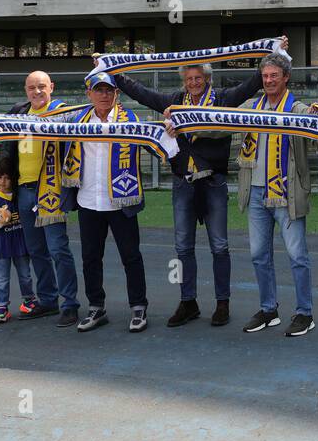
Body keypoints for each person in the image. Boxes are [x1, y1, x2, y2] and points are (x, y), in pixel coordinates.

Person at [111, 55, 266, 328]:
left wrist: (269, 57)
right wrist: (116, 75)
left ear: (207, 79)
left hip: (213, 181)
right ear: (184, 81)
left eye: (198, 78)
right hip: (183, 182)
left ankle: (222, 302)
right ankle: (188, 301)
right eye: (189, 79)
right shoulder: (174, 101)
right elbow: (143, 94)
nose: (193, 83)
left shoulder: (222, 98)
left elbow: (250, 86)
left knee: (220, 246)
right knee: (182, 247)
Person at [0, 71, 82, 327]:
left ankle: (70, 304)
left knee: (57, 248)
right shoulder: (18, 111)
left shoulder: (64, 112)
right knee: (36, 250)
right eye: (32, 87)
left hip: (50, 189)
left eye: (42, 86)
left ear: (52, 86)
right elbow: (1, 132)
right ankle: (49, 300)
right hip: (24, 190)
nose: (37, 91)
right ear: (25, 90)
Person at [237, 53, 317, 337]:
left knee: (297, 255)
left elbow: (315, 120)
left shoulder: (297, 109)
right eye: (265, 76)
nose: (269, 80)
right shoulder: (250, 107)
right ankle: (268, 309)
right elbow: (221, 113)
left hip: (286, 192)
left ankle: (305, 313)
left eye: (274, 75)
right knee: (259, 254)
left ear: (286, 78)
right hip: (256, 192)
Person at [64, 71, 151, 333]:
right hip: (88, 200)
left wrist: (168, 128)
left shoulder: (131, 120)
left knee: (131, 256)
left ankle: (138, 307)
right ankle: (96, 307)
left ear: (117, 93)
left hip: (122, 201)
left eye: (108, 90)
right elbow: (32, 122)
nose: (103, 95)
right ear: (89, 94)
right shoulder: (75, 120)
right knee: (91, 257)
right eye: (98, 90)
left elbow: (157, 140)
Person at [0, 164, 36, 324]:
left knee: (25, 275)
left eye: (7, 178)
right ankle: (2, 308)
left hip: (20, 244)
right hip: (1, 246)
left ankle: (29, 301)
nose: (2, 181)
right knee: (1, 278)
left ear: (13, 180)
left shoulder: (19, 197)